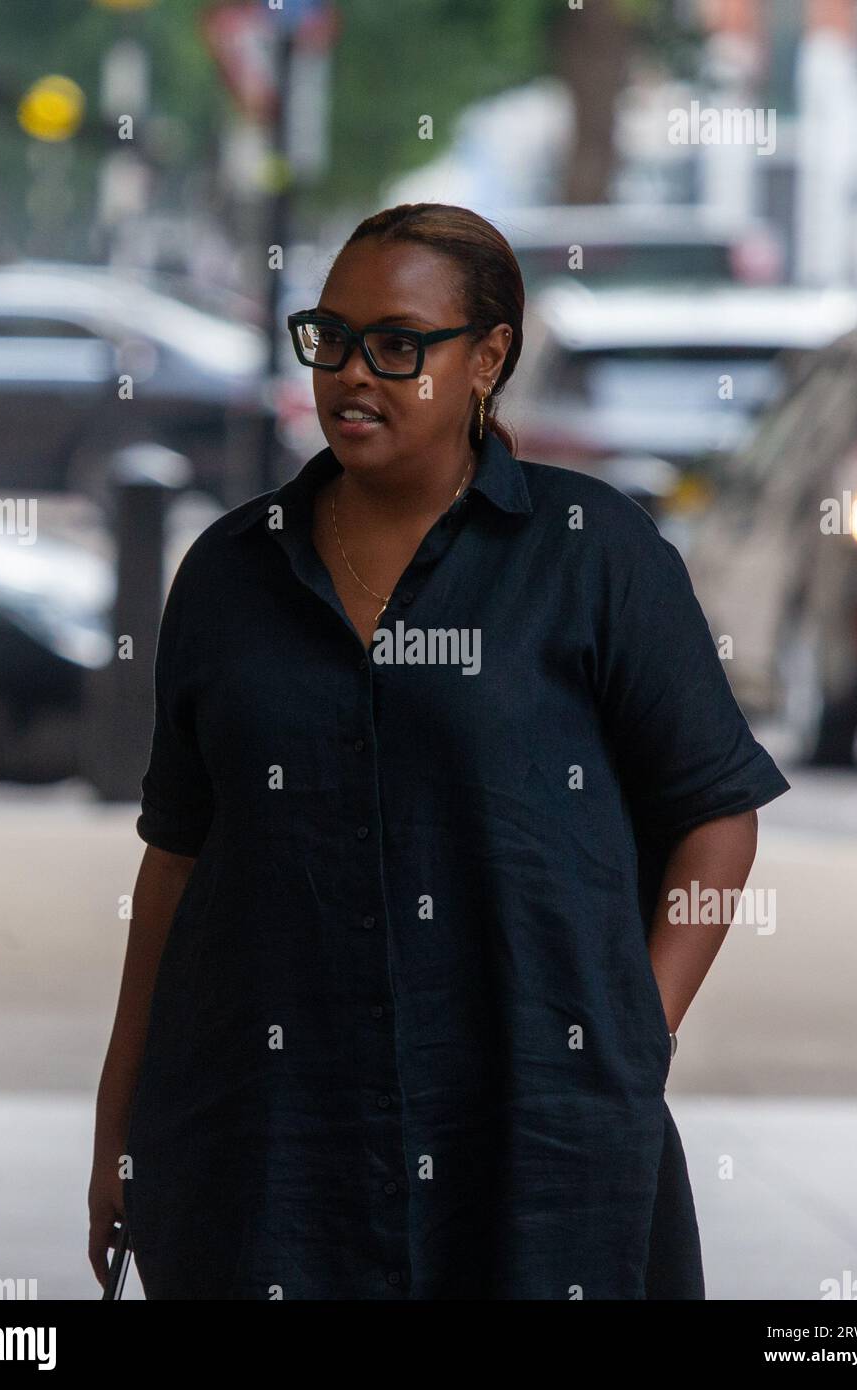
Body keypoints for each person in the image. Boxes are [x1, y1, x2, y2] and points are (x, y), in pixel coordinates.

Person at [88, 202, 790, 1300]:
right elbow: (176, 861)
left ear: (489, 358)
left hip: (537, 1150)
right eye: (331, 337)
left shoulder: (590, 554)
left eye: (399, 345)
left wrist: (627, 1044)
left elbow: (717, 816)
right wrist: (117, 1119)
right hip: (266, 1146)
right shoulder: (230, 572)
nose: (354, 375)